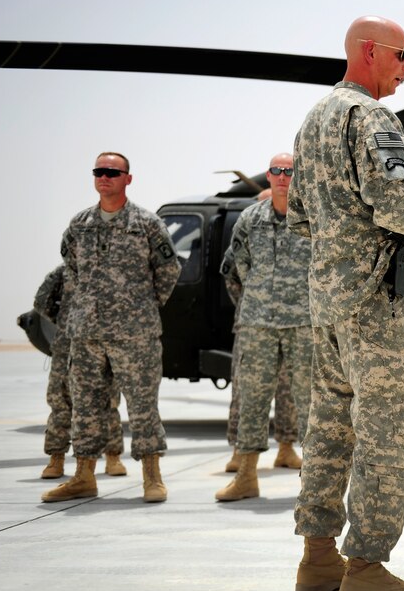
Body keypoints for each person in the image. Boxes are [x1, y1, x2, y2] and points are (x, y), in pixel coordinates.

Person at [288, 16, 404, 591]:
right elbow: (394, 197)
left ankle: (318, 558)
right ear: (370, 52)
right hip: (375, 302)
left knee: (329, 429)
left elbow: (299, 212)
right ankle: (368, 569)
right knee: (388, 433)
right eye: (401, 55)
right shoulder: (371, 117)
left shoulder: (313, 120)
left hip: (326, 302)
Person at [42, 152, 181, 504]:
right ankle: (84, 476)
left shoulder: (146, 223)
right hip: (86, 333)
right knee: (86, 406)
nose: (105, 177)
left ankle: (152, 477)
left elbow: (168, 270)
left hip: (134, 334)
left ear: (127, 179)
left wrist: (143, 307)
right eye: (99, 172)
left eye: (113, 172)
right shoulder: (80, 225)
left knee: (142, 406)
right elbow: (71, 269)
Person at [215, 153, 313, 501]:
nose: (283, 176)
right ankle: (246, 475)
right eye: (277, 170)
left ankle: (314, 485)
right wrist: (258, 300)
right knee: (252, 401)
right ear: (269, 176)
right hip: (258, 323)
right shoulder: (250, 219)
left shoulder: (314, 217)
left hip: (305, 324)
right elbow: (236, 269)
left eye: (290, 171)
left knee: (310, 404)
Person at [35, 265, 127, 479]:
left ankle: (112, 456)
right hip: (69, 345)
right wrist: (64, 321)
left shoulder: (109, 269)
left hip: (100, 344)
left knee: (108, 400)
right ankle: (56, 458)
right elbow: (41, 300)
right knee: (62, 401)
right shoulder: (63, 272)